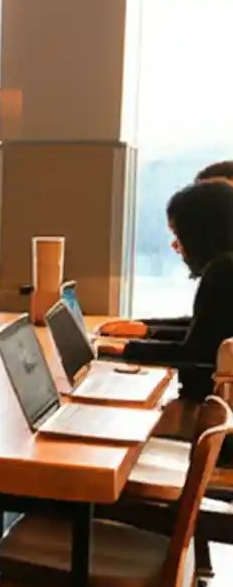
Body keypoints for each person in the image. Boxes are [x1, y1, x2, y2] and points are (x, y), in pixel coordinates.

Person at [99, 179, 233, 419]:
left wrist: (123, 350)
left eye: (179, 235)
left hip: (209, 413)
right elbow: (206, 329)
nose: (175, 246)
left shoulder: (223, 271)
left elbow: (197, 353)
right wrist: (147, 329)